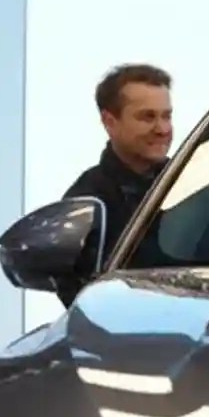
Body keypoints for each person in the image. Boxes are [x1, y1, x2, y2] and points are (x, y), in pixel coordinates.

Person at [57, 63, 173, 306]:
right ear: (109, 121)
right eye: (147, 117)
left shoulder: (197, 184)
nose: (162, 129)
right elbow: (84, 306)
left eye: (166, 116)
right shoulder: (86, 202)